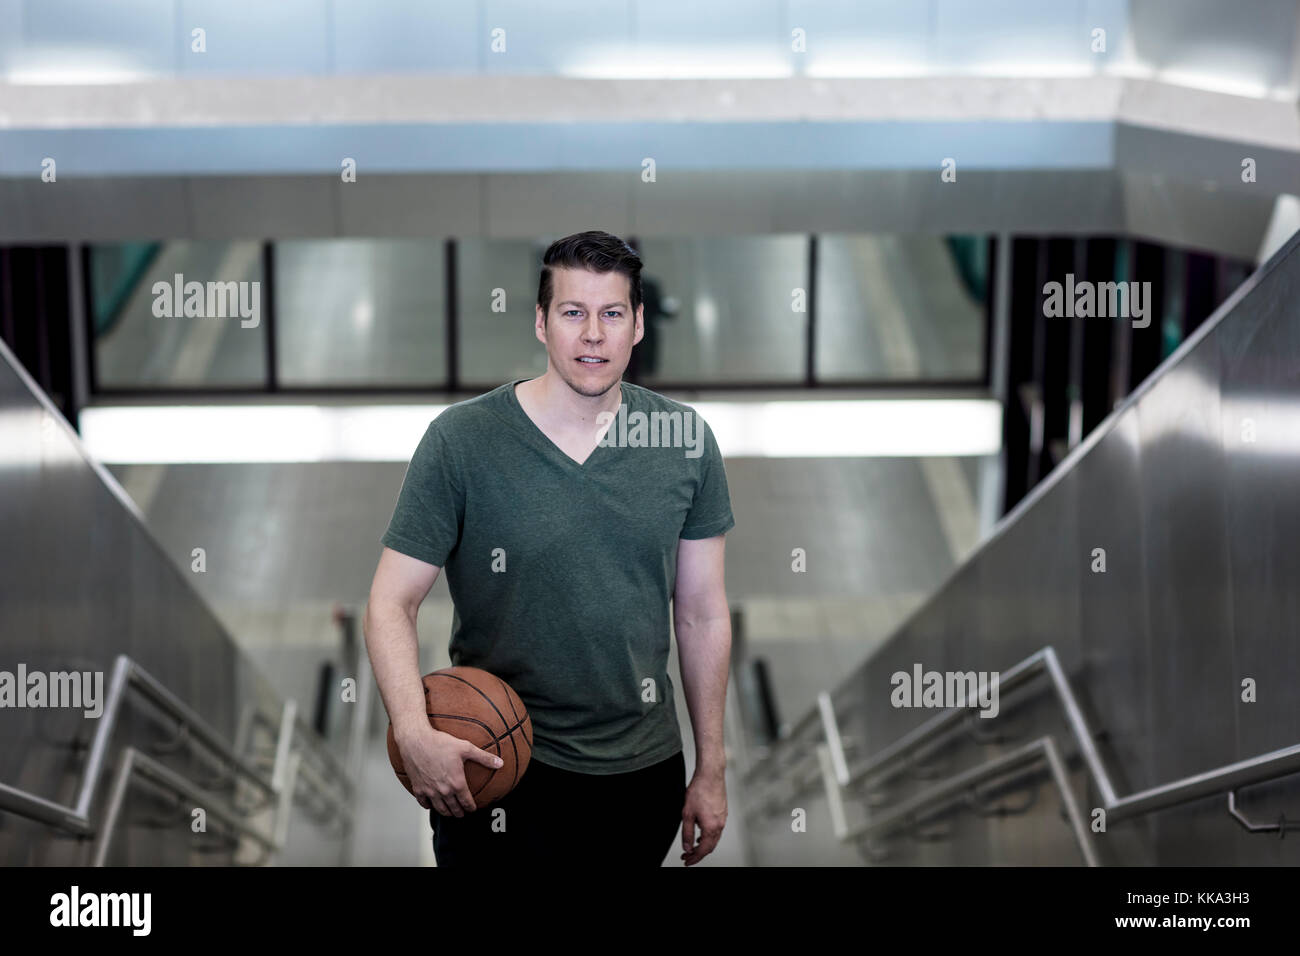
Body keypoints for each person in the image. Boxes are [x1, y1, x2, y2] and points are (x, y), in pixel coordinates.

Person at [363, 230, 734, 868]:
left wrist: (713, 766)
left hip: (640, 775)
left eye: (612, 313)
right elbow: (390, 602)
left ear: (638, 325)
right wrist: (413, 729)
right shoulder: (462, 441)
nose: (593, 334)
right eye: (573, 312)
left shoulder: (685, 441)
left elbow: (701, 611)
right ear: (541, 322)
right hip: (496, 770)